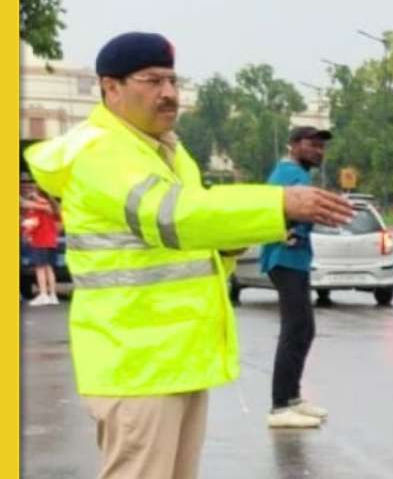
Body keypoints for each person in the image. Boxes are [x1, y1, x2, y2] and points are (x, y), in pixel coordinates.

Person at [23, 31, 354, 479]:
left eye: (173, 82)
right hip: (136, 364)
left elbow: (196, 235)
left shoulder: (168, 152)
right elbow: (174, 217)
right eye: (152, 81)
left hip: (175, 359)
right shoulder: (101, 152)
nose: (169, 94)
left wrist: (230, 243)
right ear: (111, 87)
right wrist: (278, 204)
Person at [260, 125, 334, 429]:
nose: (318, 151)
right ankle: (280, 406)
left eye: (321, 146)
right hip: (285, 258)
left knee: (305, 328)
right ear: (293, 145)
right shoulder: (290, 175)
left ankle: (292, 397)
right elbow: (269, 206)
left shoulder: (297, 174)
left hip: (296, 260)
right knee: (295, 329)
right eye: (311, 145)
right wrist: (285, 229)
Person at [21, 175, 61, 305]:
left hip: (40, 239)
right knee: (49, 268)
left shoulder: (39, 205)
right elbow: (56, 222)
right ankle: (53, 295)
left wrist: (26, 228)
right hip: (51, 240)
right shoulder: (51, 204)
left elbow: (33, 222)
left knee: (40, 268)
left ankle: (43, 294)